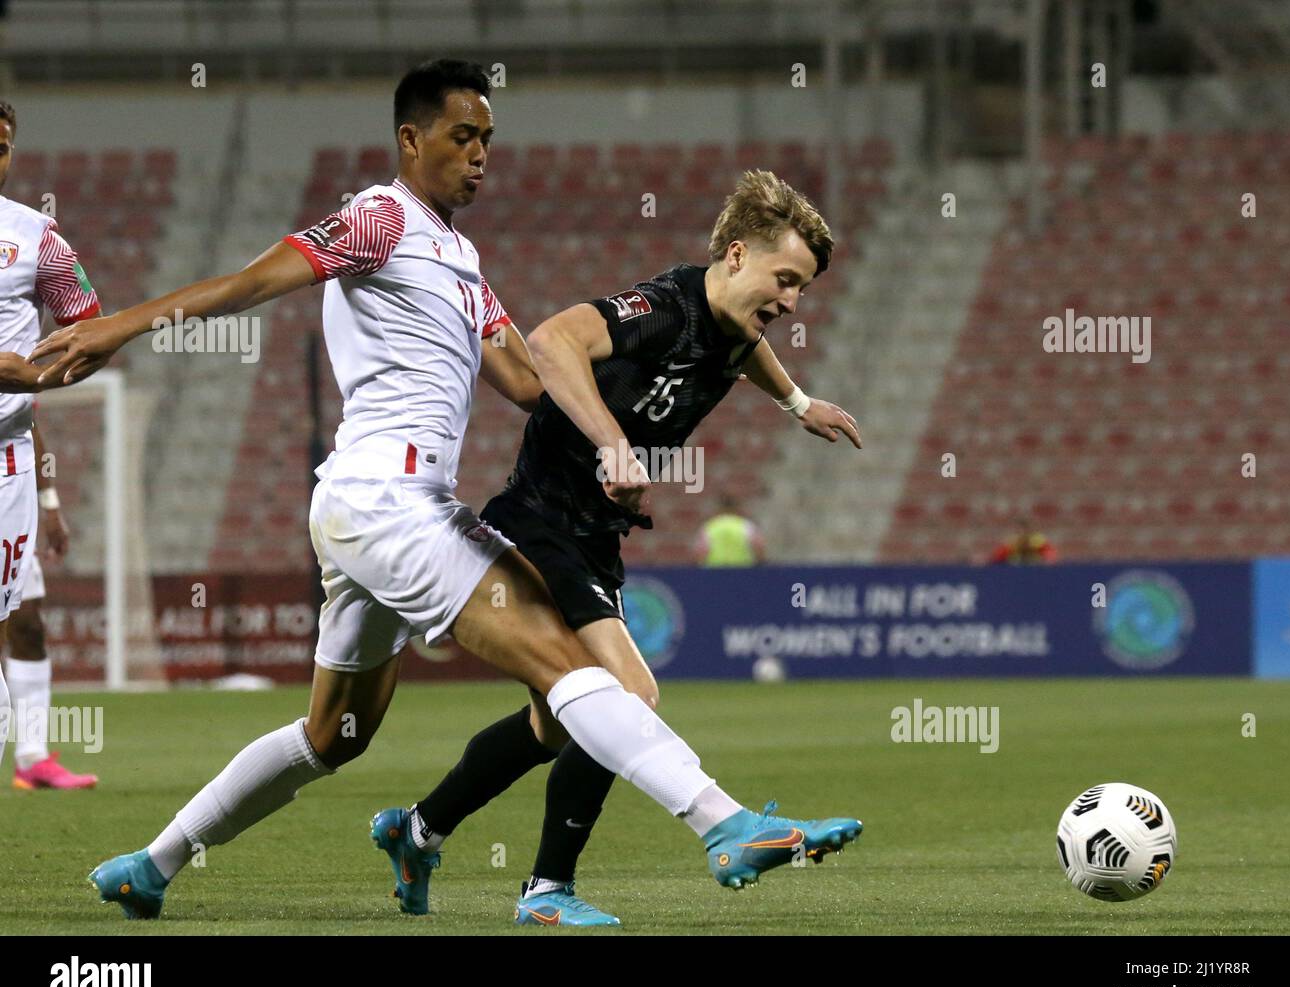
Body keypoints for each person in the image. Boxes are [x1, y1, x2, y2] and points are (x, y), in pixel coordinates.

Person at [24, 59, 859, 921]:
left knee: (332, 738)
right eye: (463, 137)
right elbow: (249, 283)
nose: (480, 155)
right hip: (387, 502)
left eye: (489, 140)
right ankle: (724, 825)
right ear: (411, 139)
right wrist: (116, 329)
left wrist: (645, 378)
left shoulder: (460, 257)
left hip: (377, 511)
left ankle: (151, 866)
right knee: (574, 670)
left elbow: (529, 376)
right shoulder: (377, 220)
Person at [375, 169, 862, 926]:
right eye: (785, 279)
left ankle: (418, 830)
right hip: (540, 518)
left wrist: (798, 402)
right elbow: (549, 340)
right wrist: (612, 445)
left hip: (596, 537)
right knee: (629, 694)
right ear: (736, 255)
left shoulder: (738, 327)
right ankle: (546, 891)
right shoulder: (664, 307)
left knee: (554, 721)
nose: (793, 303)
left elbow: (746, 353)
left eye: (802, 289)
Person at [0, 100, 102, 777]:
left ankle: (31, 752)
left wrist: (38, 370)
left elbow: (88, 333)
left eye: (2, 142)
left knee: (14, 610)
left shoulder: (37, 235)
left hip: (5, 455)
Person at [7, 414, 98, 788]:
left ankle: (32, 757)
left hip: (12, 507)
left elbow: (28, 425)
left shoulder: (17, 361)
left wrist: (50, 506)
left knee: (28, 626)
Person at [695, 493, 765, 567]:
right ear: (737, 509)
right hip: (743, 571)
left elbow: (701, 551)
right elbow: (758, 547)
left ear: (719, 509)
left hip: (715, 571)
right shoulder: (746, 525)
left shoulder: (710, 527)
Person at [988, 518, 1057, 565]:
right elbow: (995, 560)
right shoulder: (1011, 544)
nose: (1023, 533)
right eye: (1020, 530)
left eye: (1026, 530)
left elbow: (1051, 558)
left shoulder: (1039, 542)